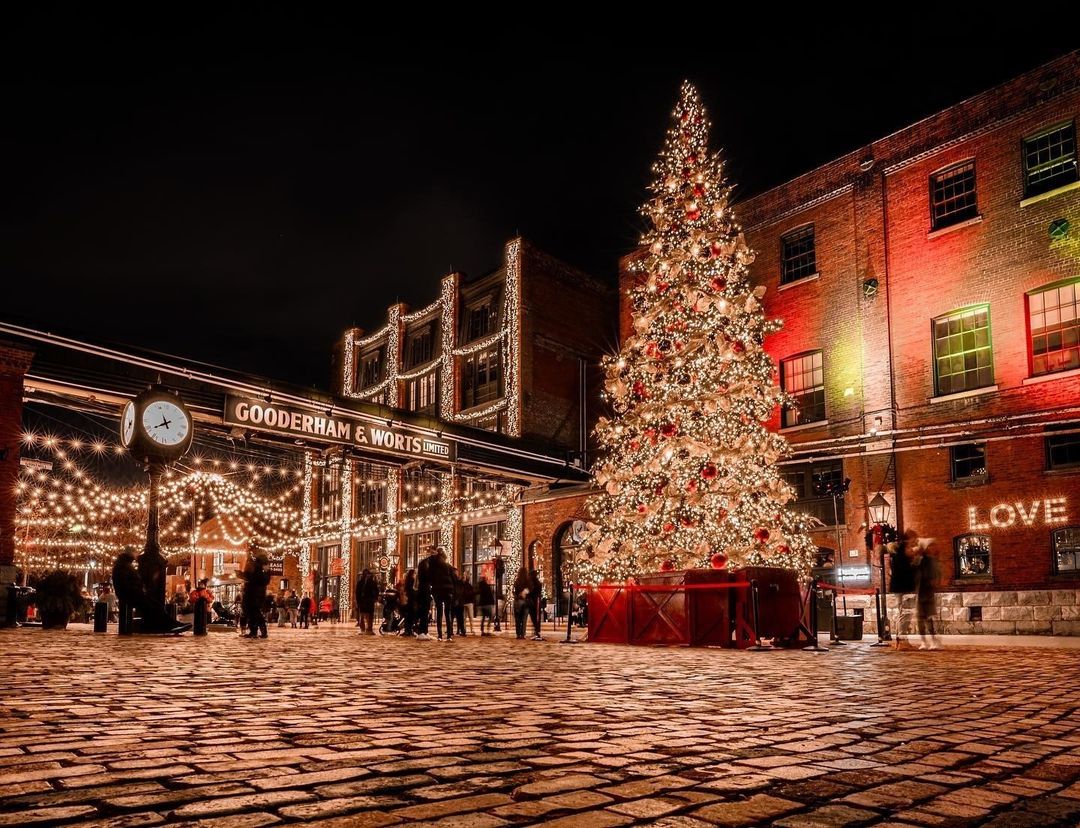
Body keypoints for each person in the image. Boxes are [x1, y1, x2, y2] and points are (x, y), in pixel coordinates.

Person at [111, 549, 191, 633]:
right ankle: (168, 625)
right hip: (130, 594)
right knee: (153, 606)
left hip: (133, 593)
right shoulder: (123, 567)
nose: (136, 556)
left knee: (155, 605)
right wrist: (138, 589)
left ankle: (172, 624)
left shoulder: (124, 566)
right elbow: (126, 583)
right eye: (134, 554)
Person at [890, 530, 918, 648]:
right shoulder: (904, 551)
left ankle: (899, 640)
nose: (916, 540)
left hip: (900, 586)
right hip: (904, 586)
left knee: (904, 612)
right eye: (914, 538)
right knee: (905, 613)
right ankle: (901, 641)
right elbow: (903, 570)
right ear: (909, 538)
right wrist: (914, 563)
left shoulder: (899, 551)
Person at [914, 540, 942, 650]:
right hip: (921, 592)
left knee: (928, 618)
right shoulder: (919, 560)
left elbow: (936, 574)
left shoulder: (930, 561)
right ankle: (925, 641)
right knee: (921, 619)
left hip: (927, 592)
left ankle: (933, 641)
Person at [428, 547, 455, 641]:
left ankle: (439, 636)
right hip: (448, 590)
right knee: (448, 613)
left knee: (439, 612)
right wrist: (453, 590)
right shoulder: (447, 566)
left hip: (437, 590)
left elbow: (429, 577)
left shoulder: (433, 565)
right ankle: (449, 636)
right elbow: (454, 578)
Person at [242, 553, 271, 639]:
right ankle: (253, 631)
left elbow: (262, 580)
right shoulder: (260, 569)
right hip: (254, 593)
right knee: (252, 613)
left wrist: (248, 577)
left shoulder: (261, 569)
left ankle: (262, 631)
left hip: (255, 594)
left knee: (256, 613)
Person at [415, 549, 435, 640]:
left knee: (426, 612)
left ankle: (425, 631)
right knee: (424, 611)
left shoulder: (426, 563)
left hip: (425, 589)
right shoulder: (426, 563)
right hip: (424, 589)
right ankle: (421, 632)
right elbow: (427, 576)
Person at [355, 568, 379, 635]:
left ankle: (369, 628)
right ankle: (362, 628)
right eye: (365, 574)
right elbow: (357, 592)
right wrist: (357, 601)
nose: (366, 576)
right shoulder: (360, 582)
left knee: (370, 615)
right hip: (362, 601)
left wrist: (375, 598)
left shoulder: (372, 582)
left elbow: (376, 590)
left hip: (369, 600)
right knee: (362, 615)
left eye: (367, 574)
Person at [513, 567, 531, 639]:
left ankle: (518, 634)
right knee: (524, 619)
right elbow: (530, 590)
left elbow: (513, 591)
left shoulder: (517, 581)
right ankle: (523, 634)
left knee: (517, 619)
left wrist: (517, 595)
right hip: (525, 601)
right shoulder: (528, 581)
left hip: (517, 601)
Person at [527, 568, 544, 640]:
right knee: (536, 617)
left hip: (533, 601)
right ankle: (537, 630)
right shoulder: (538, 583)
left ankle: (536, 630)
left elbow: (530, 592)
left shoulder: (532, 583)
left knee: (534, 617)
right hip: (537, 601)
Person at [400, 570, 416, 637]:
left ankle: (407, 630)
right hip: (411, 601)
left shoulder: (407, 581)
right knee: (410, 616)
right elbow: (412, 589)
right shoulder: (412, 580)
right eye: (414, 573)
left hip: (408, 600)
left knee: (408, 616)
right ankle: (409, 630)